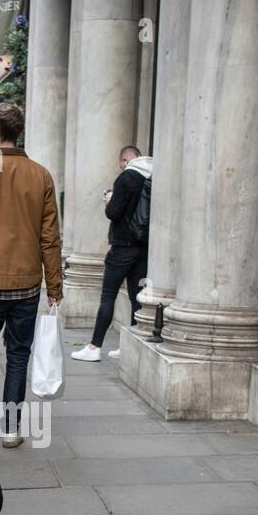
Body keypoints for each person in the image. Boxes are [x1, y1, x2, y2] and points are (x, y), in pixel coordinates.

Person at [0, 101, 62, 449]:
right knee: (19, 353)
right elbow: (49, 237)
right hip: (24, 283)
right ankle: (10, 426)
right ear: (17, 132)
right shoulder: (40, 175)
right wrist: (55, 285)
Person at [71, 145, 152, 362]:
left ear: (126, 160)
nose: (122, 167)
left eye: (122, 163)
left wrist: (109, 200)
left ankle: (94, 346)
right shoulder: (152, 176)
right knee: (137, 297)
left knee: (108, 296)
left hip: (122, 246)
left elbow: (114, 212)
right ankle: (131, 346)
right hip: (142, 247)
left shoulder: (126, 179)